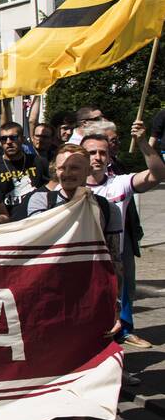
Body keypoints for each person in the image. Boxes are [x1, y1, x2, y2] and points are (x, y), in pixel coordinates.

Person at [26, 146, 120, 420]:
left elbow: (114, 257)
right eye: (63, 167)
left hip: (88, 297)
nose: (68, 173)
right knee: (47, 361)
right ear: (54, 168)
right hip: (48, 296)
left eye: (76, 168)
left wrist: (116, 302)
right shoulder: (41, 201)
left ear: (87, 172)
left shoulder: (106, 208)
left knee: (86, 362)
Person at [84, 122, 164, 349]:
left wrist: (142, 143)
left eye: (102, 152)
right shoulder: (70, 187)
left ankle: (117, 370)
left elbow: (157, 174)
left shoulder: (119, 184)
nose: (97, 157)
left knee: (113, 325)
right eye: (91, 153)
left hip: (110, 270)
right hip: (80, 269)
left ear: (109, 157)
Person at [0, 121, 47, 214]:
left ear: (22, 139)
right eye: (4, 139)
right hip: (9, 224)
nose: (8, 142)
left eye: (13, 138)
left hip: (36, 220)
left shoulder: (39, 162)